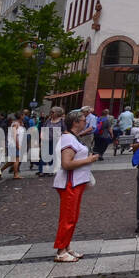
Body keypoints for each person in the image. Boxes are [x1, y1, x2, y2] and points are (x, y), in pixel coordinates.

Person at [52, 110, 98, 262]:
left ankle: (66, 246)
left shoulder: (72, 138)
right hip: (69, 183)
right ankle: (60, 251)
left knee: (72, 216)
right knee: (68, 217)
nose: (86, 122)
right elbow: (67, 164)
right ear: (76, 122)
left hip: (75, 182)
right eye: (83, 120)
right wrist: (89, 160)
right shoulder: (68, 139)